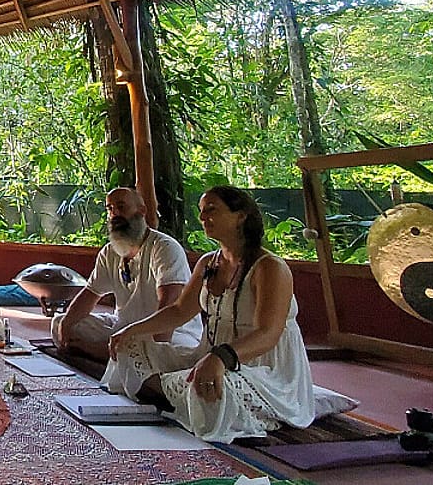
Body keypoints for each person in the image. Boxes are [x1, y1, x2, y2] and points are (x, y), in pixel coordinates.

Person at [107, 185, 315, 443]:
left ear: (241, 216)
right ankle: (181, 395)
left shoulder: (269, 268)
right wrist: (130, 330)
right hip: (208, 357)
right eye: (201, 211)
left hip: (262, 368)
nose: (203, 217)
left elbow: (268, 334)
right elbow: (180, 311)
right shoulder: (209, 262)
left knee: (212, 387)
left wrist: (220, 358)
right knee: (130, 347)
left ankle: (180, 396)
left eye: (212, 210)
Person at [51, 187, 200, 395]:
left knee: (155, 352)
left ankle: (105, 353)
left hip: (169, 333)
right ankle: (114, 354)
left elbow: (169, 311)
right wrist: (67, 324)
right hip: (123, 329)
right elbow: (90, 293)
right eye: (110, 209)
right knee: (59, 323)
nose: (115, 214)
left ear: (141, 211)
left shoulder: (164, 248)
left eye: (121, 207)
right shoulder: (110, 252)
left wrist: (142, 347)